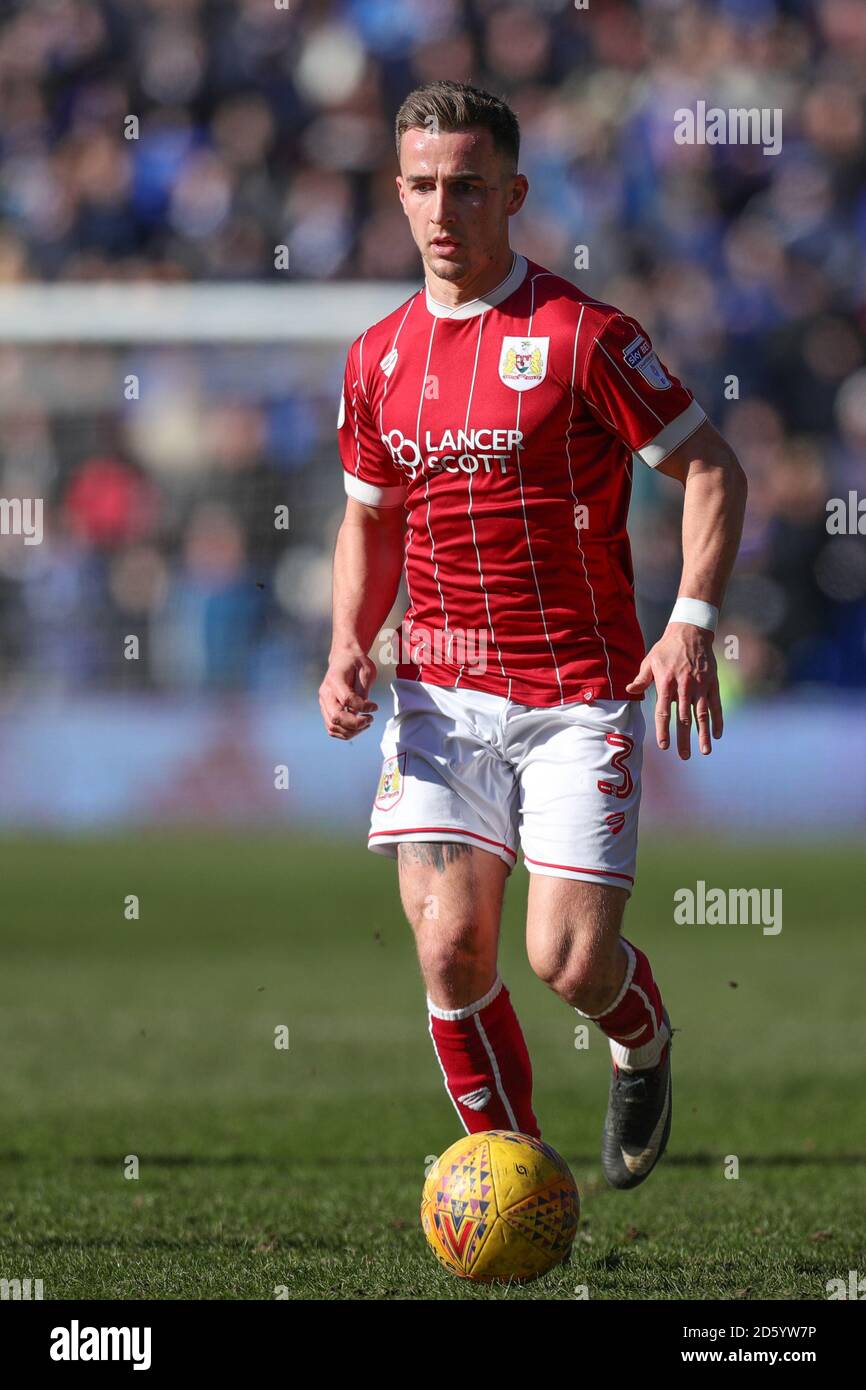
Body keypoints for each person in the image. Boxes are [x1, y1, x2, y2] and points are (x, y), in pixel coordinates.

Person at [319, 80, 747, 1189]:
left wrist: (689, 621)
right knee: (449, 948)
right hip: (438, 694)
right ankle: (514, 1184)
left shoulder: (581, 336)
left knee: (564, 958)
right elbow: (367, 519)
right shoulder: (376, 358)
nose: (440, 211)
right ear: (397, 192)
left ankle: (640, 1037)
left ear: (511, 193)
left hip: (575, 691)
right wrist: (346, 645)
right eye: (420, 186)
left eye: (466, 186)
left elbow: (708, 465)